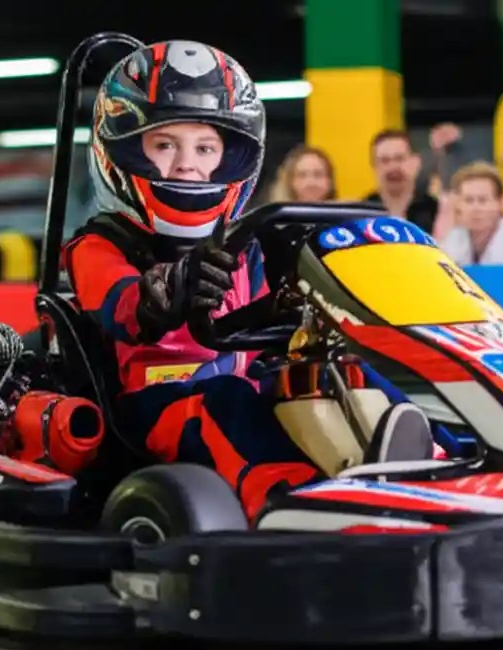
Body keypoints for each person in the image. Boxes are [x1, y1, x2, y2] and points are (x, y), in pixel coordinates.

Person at [62, 41, 428, 518]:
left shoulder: (245, 242)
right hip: (153, 402)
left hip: (243, 376)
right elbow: (122, 308)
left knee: (334, 370)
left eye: (206, 147)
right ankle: (288, 502)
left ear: (230, 157)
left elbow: (257, 326)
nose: (188, 164)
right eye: (165, 144)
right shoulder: (100, 244)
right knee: (228, 402)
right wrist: (168, 291)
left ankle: (433, 463)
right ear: (128, 150)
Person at [436, 162, 503, 266]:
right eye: (468, 200)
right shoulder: (455, 234)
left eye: (483, 200)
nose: (475, 208)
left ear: (501, 203)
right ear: (458, 205)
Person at [364, 129, 439, 235]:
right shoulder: (362, 213)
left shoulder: (435, 211)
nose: (393, 167)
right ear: (374, 167)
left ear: (416, 163)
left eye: (399, 159)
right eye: (385, 160)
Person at [267, 144, 336, 203]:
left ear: (330, 180)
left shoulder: (343, 217)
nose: (310, 182)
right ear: (290, 180)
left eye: (318, 174)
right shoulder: (275, 217)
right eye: (302, 175)